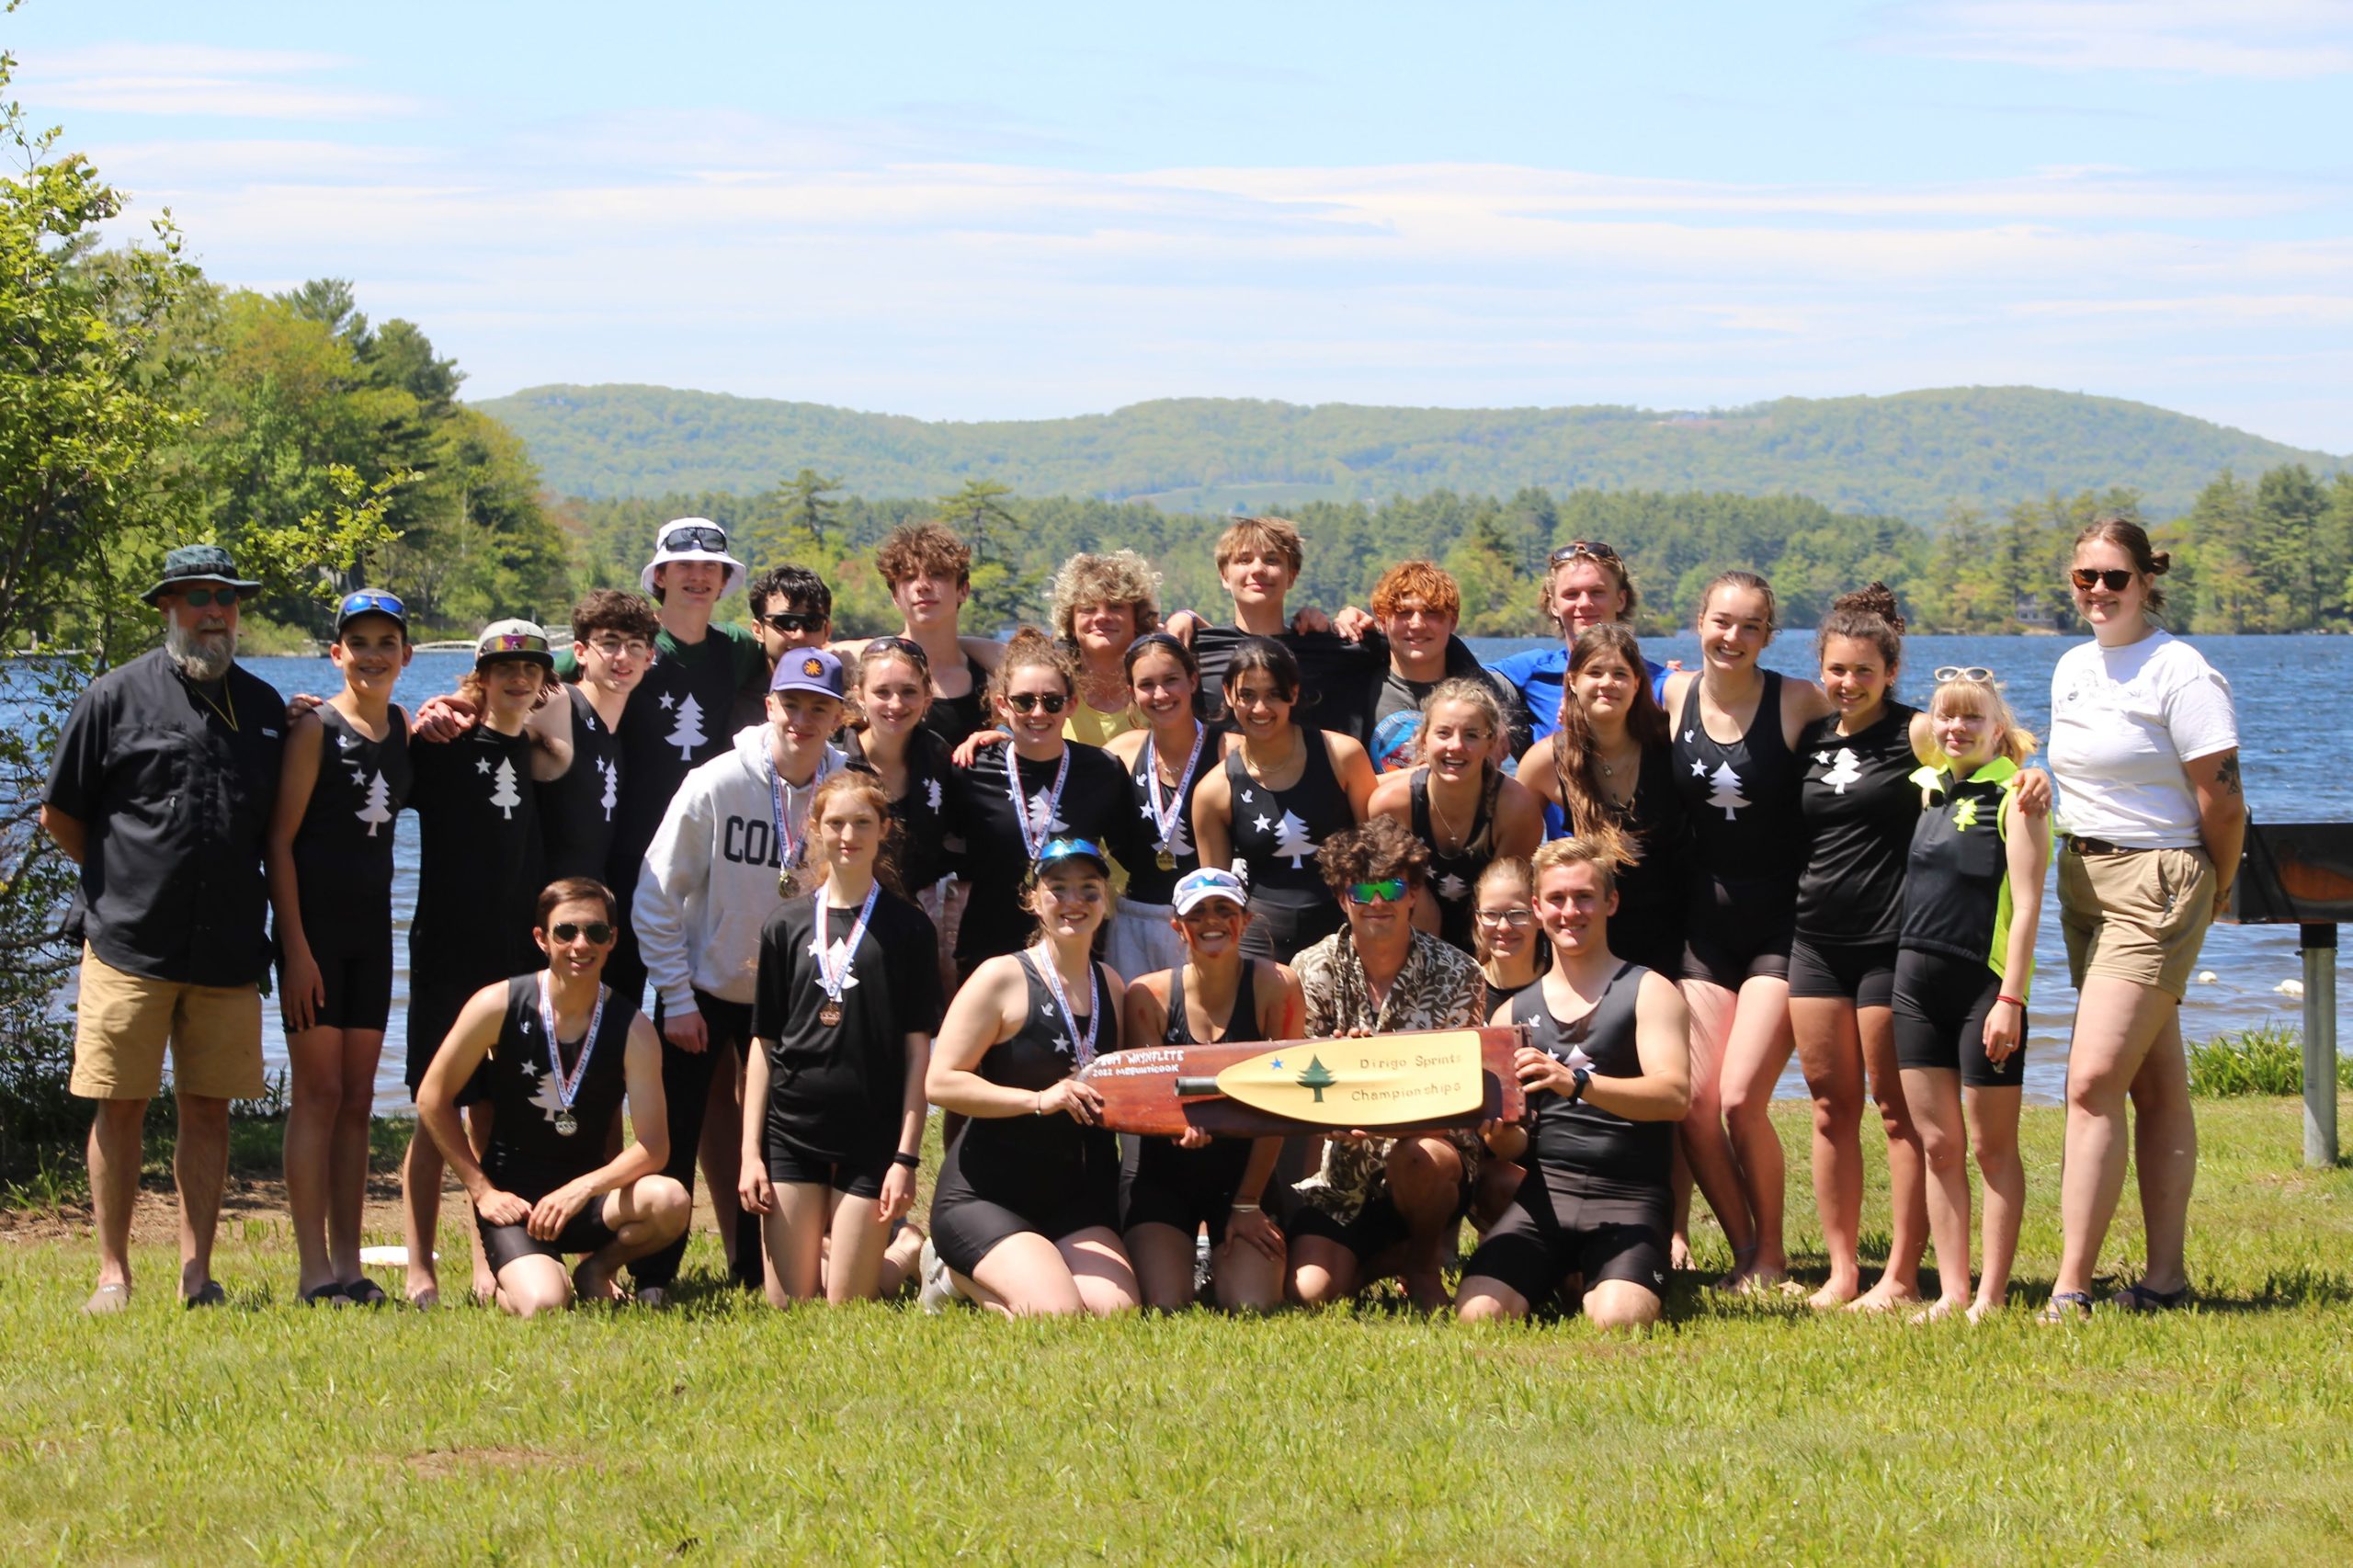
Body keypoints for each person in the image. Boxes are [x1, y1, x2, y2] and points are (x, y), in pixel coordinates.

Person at [42, 545, 284, 1312]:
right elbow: (61, 815)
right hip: (127, 942)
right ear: (166, 610)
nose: (214, 611)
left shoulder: (268, 708)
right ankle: (113, 1273)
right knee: (119, 1104)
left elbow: (278, 830)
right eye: (196, 598)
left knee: (209, 1107)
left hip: (228, 947)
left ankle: (197, 1273)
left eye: (225, 598)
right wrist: (122, 881)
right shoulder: (111, 698)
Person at [2043, 516, 2244, 1318]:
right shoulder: (2071, 666)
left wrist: (2214, 891)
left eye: (2114, 579)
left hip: (2159, 880)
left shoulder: (2181, 672)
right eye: (2084, 578)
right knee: (2153, 1083)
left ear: (2146, 582)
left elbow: (2223, 803)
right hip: (2083, 877)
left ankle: (2070, 1286)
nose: (2098, 592)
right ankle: (2165, 1280)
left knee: (2090, 1081)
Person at [631, 648, 849, 1301]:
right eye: (791, 704)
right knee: (677, 1135)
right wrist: (675, 994)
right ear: (769, 705)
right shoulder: (717, 782)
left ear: (839, 717)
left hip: (797, 998)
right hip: (705, 987)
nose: (802, 720)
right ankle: (653, 1276)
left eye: (819, 708)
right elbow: (656, 893)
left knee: (786, 1136)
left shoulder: (845, 789)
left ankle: (764, 1270)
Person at [1663, 571, 1835, 1290]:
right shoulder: (1672, 696)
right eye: (1721, 621)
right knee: (1693, 1105)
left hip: (1781, 928)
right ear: (1698, 620)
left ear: (1769, 635)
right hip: (1702, 929)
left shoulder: (1799, 701)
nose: (1732, 638)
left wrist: (2003, 764)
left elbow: (1885, 737)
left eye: (1750, 626)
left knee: (1740, 1100)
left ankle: (1771, 1253)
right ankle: (1747, 1253)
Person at [415, 879, 689, 1317]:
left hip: (587, 1200)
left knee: (670, 1199)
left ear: (613, 939)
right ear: (542, 938)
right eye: (566, 932)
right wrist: (483, 1191)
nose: (582, 944)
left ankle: (595, 1271)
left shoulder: (633, 1028)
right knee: (544, 1303)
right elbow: (432, 1098)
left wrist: (582, 1189)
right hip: (516, 1203)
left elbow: (654, 1148)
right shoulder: (497, 1004)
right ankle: (519, 1279)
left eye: (596, 932)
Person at [400, 619, 572, 1306]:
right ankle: (418, 1265)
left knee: (493, 1112)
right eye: (505, 668)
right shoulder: (441, 745)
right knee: (432, 1104)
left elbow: (564, 740)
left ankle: (485, 1260)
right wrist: (434, 713)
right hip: (447, 947)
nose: (519, 677)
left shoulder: (537, 750)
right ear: (480, 675)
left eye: (532, 667)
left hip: (513, 953)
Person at [1458, 838, 1692, 1327]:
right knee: (1478, 1315)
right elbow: (1513, 1142)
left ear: (1610, 902)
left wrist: (1578, 1083)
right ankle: (1565, 1274)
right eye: (1557, 899)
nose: (1571, 911)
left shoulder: (1649, 990)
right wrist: (1495, 1129)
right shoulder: (1513, 1012)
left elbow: (1674, 1096)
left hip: (1630, 1198)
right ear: (1538, 908)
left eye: (1584, 897)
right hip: (1547, 1196)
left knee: (1618, 1322)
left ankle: (1598, 1279)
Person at [263, 588, 415, 1305]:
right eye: (360, 644)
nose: (373, 655)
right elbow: (279, 843)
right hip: (313, 940)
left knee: (358, 1100)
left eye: (387, 643)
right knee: (318, 1094)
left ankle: (352, 1266)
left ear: (405, 655)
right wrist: (294, 950)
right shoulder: (315, 728)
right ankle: (311, 1269)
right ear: (337, 653)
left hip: (373, 939)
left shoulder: (406, 730)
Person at [740, 770, 941, 1304]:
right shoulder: (785, 924)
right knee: (789, 1306)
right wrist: (750, 1154)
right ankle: (833, 1246)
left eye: (862, 823)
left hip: (870, 1136)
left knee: (847, 1304)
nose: (848, 835)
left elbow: (918, 1052)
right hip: (793, 1131)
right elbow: (763, 1045)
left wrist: (905, 1158)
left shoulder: (909, 928)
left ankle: (902, 1253)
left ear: (884, 830)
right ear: (815, 828)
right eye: (835, 823)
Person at [1786, 585, 1931, 1312]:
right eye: (1837, 670)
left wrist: (2024, 775)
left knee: (1897, 1111)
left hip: (1893, 943)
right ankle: (1843, 1270)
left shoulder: (1918, 734)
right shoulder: (1810, 736)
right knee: (1826, 1107)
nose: (1848, 684)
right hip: (1814, 941)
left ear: (1890, 671)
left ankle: (1900, 1276)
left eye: (1864, 672)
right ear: (1822, 669)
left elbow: (1992, 760)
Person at [926, 837, 1139, 1317]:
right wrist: (1039, 1101)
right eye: (1057, 888)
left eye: (1088, 889)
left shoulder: (1113, 985)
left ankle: (1027, 1267)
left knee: (1116, 1310)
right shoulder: (1000, 977)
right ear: (1033, 899)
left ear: (1106, 899)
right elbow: (940, 1082)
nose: (1074, 902)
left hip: (1073, 1199)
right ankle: (951, 1273)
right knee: (1055, 1314)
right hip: (988, 1196)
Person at [1283, 816, 1488, 1312]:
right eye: (1362, 891)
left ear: (1414, 893)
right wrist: (1338, 1097)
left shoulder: (1460, 972)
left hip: (1428, 1156)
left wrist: (1374, 1094)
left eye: (1393, 887)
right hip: (1340, 1174)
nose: (1378, 902)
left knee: (1418, 1159)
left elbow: (1461, 1089)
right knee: (1312, 1294)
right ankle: (1380, 1260)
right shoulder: (1310, 969)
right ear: (1341, 898)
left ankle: (1421, 1262)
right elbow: (1294, 1077)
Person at [1895, 672, 2050, 1323]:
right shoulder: (1933, 784)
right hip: (1914, 983)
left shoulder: (2016, 794)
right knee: (1937, 1145)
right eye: (1946, 718)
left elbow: (2029, 905)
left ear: (1998, 730)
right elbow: (1917, 731)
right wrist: (1945, 714)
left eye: (1973, 719)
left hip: (1984, 989)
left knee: (1990, 1148)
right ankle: (1952, 1289)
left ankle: (1991, 1292)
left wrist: (2010, 999)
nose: (1956, 728)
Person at [565, 519, 768, 1013]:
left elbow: (811, 655)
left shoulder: (737, 649)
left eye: (710, 567)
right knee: (614, 1005)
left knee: (702, 1010)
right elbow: (526, 668)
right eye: (684, 565)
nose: (697, 576)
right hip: (629, 853)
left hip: (704, 861)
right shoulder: (627, 646)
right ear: (659, 576)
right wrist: (463, 700)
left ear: (724, 582)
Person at [1115, 868, 1305, 1312]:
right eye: (1197, 914)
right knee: (1164, 1303)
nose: (1211, 922)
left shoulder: (1277, 986)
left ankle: (1220, 1256)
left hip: (1243, 1177)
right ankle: (1189, 1257)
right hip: (1162, 1175)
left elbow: (1280, 1106)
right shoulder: (1148, 995)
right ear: (1177, 927)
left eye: (1224, 909)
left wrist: (1247, 1202)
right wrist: (1174, 1124)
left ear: (1245, 919)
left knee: (1251, 1304)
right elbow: (1144, 1101)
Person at [949, 630, 1143, 978]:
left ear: (1071, 704)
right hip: (990, 949)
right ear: (1002, 704)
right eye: (1024, 701)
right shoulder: (971, 767)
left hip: (1077, 946)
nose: (1038, 712)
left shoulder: (1102, 770)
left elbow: (1133, 854)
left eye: (1052, 701)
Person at [1192, 638, 1377, 964]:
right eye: (1247, 696)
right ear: (1228, 694)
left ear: (1293, 693)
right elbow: (1216, 896)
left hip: (1345, 932)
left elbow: (1378, 856)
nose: (1260, 709)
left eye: (1274, 695)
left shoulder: (1343, 756)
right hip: (1261, 943)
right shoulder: (1213, 791)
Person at [1517, 624, 1685, 978]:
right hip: (1589, 942)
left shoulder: (1670, 749)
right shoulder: (1545, 762)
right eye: (1595, 672)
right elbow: (1516, 860)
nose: (1607, 683)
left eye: (1620, 674)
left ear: (1638, 684)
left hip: (1679, 939)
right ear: (1573, 680)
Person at [1367, 679, 1544, 951]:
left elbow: (1504, 909)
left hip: (1493, 940)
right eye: (1443, 733)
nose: (1456, 746)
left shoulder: (1516, 809)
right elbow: (1417, 912)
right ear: (1423, 740)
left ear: (1491, 744)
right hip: (1414, 936)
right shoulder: (1391, 806)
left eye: (1472, 735)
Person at [1185, 516, 1387, 744]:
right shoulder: (1195, 652)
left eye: (1271, 560)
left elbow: (1413, 649)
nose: (1258, 569)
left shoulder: (1331, 648)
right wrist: (1187, 617)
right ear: (1224, 575)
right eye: (1244, 560)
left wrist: (1361, 626)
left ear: (1292, 576)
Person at [1101, 632, 1228, 983]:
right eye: (1147, 685)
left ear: (1193, 680)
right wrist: (1003, 737)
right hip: (1134, 924)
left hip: (1209, 921)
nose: (1161, 695)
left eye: (1171, 680)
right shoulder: (1121, 753)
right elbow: (1059, 766)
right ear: (1131, 692)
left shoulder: (1230, 751)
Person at [840, 635, 966, 979]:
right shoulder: (834, 758)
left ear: (928, 697)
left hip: (915, 932)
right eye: (882, 692)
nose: (896, 703)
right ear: (859, 695)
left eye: (909, 691)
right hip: (841, 925)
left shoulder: (940, 757)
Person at [1485, 540, 1669, 750]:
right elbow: (1458, 680)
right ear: (1553, 604)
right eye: (1571, 594)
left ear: (1620, 599)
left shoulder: (1660, 682)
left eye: (1597, 592)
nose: (1584, 603)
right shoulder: (1531, 670)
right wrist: (1492, 722)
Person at [1355, 561, 1530, 773]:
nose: (1417, 624)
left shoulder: (1494, 693)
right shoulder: (1356, 688)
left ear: (1453, 622)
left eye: (1432, 612)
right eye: (1403, 612)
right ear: (1382, 620)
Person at [535, 588, 654, 882]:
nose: (623, 657)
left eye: (635, 645)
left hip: (582, 912)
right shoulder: (560, 702)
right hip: (538, 908)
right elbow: (498, 716)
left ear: (649, 657)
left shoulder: (617, 733)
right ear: (580, 652)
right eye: (609, 643)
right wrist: (459, 705)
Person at [864, 522, 1008, 749]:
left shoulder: (990, 680)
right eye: (909, 577)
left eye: (937, 575)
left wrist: (1010, 741)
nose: (922, 586)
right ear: (894, 596)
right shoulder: (865, 664)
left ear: (963, 590)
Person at [1050, 550, 1160, 746]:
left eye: (1115, 606)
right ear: (1071, 624)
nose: (1101, 616)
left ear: (1136, 619)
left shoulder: (1161, 686)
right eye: (1088, 608)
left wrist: (1189, 617)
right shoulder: (1053, 685)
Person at [1472, 858, 1545, 1021]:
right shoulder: (1463, 990)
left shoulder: (1564, 988)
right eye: (1491, 914)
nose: (1503, 926)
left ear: (1539, 915)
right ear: (1478, 918)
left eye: (1517, 914)